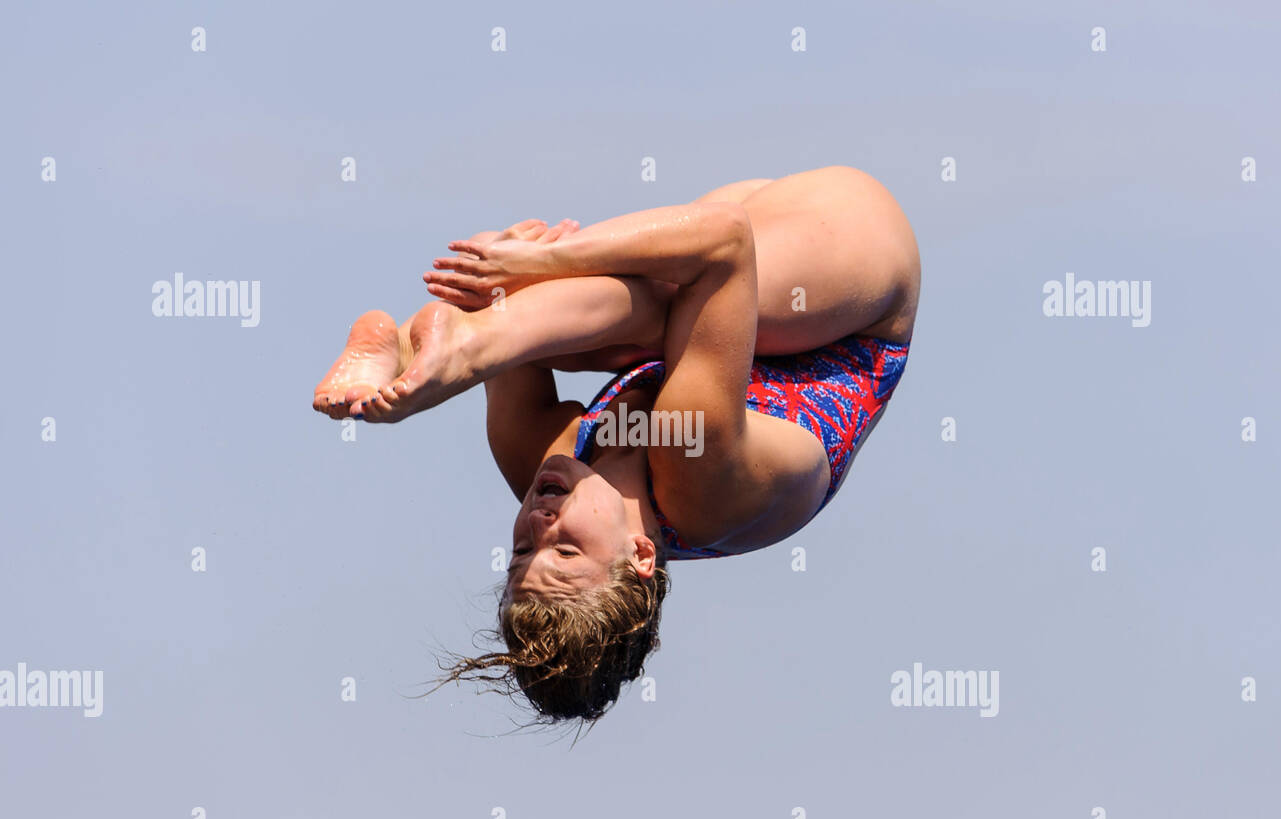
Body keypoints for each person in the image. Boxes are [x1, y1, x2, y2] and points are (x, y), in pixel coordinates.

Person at [312, 165, 920, 726]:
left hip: (740, 282)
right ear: (640, 556)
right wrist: (545, 263)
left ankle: (407, 350)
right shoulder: (700, 478)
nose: (540, 522)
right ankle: (457, 351)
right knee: (647, 303)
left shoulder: (547, 468)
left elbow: (485, 287)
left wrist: (506, 271)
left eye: (522, 550)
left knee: (570, 327)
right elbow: (724, 241)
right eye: (566, 552)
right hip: (853, 266)